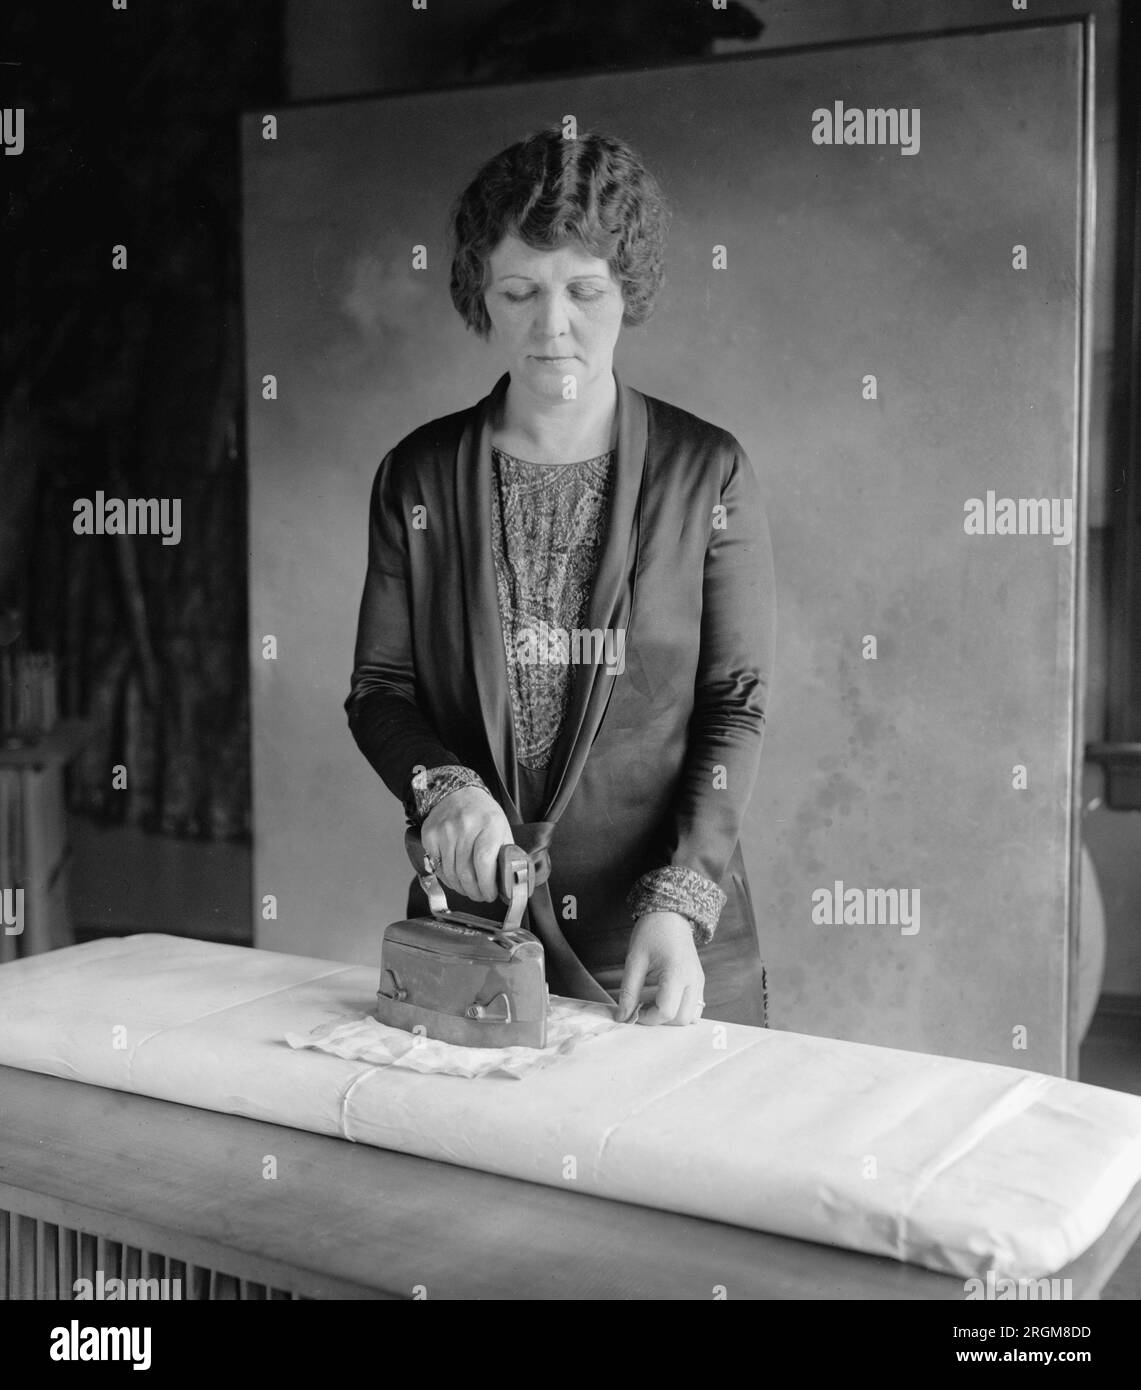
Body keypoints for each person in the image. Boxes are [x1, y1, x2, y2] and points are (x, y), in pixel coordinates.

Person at [346, 128, 775, 1027]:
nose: (552, 327)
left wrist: (682, 895)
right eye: (519, 292)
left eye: (584, 290)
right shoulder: (418, 475)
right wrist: (443, 789)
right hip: (478, 929)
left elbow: (734, 699)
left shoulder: (708, 471)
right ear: (481, 296)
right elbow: (381, 691)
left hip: (666, 935)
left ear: (628, 289)